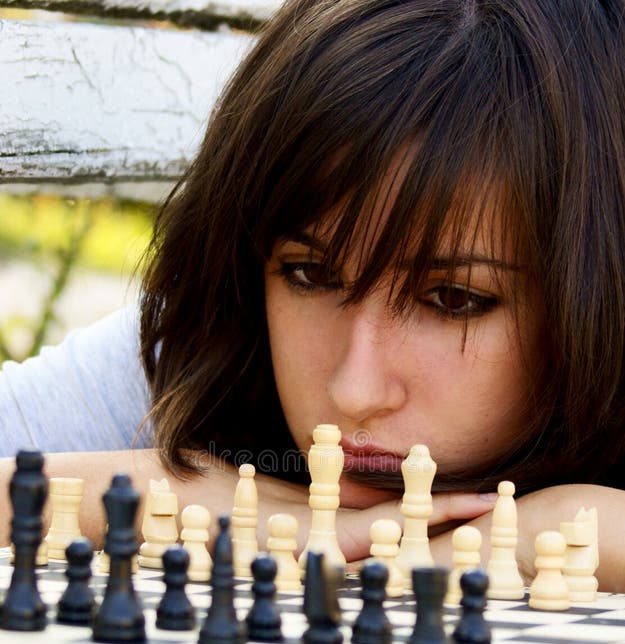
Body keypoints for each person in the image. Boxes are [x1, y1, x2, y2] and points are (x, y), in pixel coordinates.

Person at [1, 0, 625, 589]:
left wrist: (572, 531)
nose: (354, 390)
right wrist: (161, 495)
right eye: (309, 274)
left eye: (455, 298)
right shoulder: (208, 349)